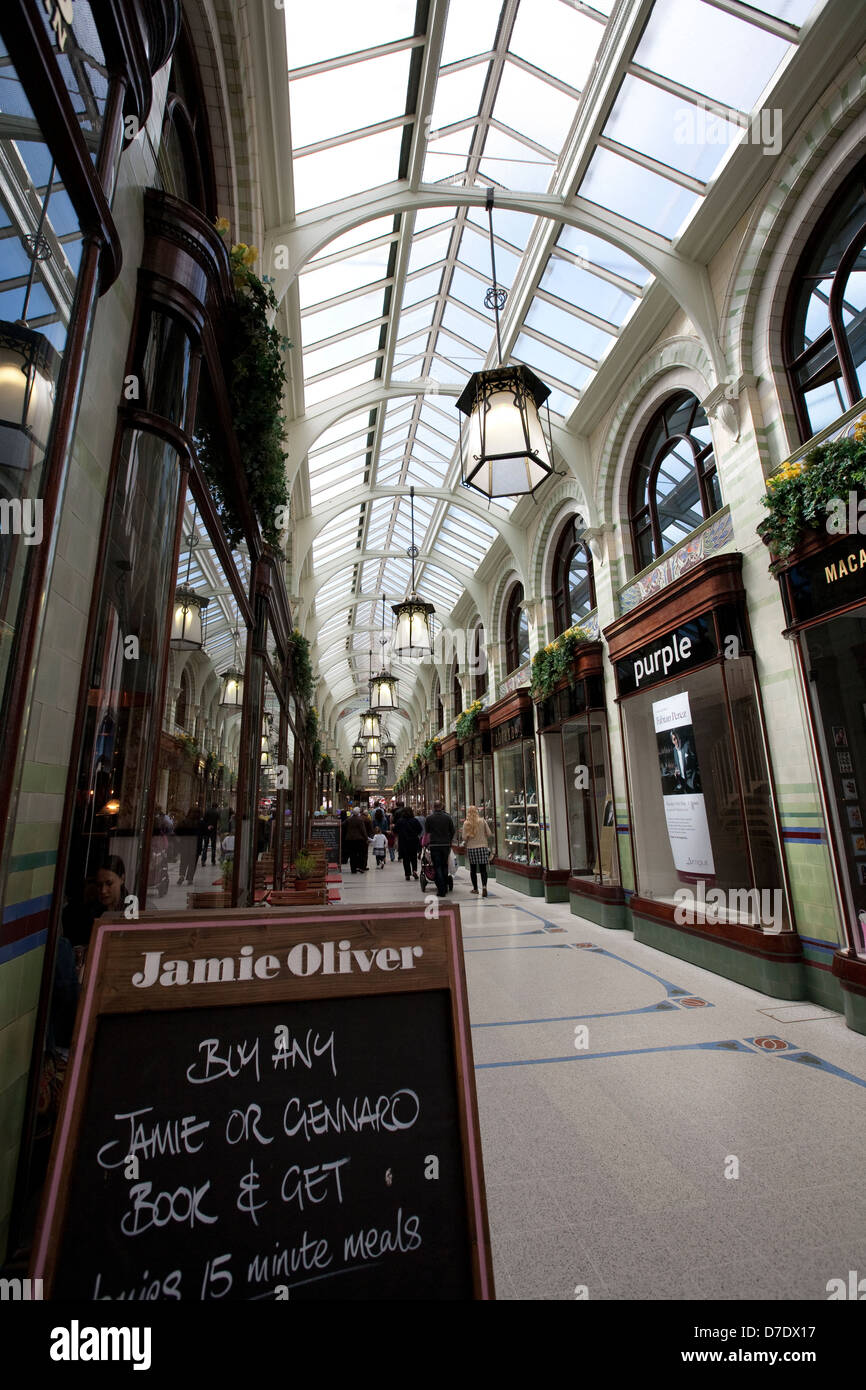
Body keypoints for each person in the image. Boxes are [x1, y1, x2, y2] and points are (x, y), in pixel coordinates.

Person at [425, 799, 455, 898]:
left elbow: (427, 831)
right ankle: (445, 886)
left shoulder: (429, 818)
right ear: (442, 807)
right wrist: (449, 839)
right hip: (445, 845)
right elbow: (452, 830)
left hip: (434, 845)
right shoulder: (448, 817)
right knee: (444, 865)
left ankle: (441, 889)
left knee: (437, 866)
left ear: (434, 807)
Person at [463, 804, 492, 897]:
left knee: (473, 870)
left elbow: (464, 838)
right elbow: (489, 833)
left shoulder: (466, 823)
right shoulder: (482, 821)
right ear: (477, 812)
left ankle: (475, 888)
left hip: (472, 848)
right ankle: (484, 887)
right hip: (483, 847)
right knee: (483, 869)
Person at [395, 806, 421, 881]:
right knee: (413, 857)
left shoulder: (400, 821)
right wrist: (415, 834)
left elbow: (396, 830)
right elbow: (420, 829)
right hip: (413, 841)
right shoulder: (415, 820)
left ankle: (407, 874)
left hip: (404, 842)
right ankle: (414, 870)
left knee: (406, 858)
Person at [343, 809, 371, 873]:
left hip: (350, 839)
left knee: (352, 854)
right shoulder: (360, 820)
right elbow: (363, 830)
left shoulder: (348, 819)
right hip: (359, 840)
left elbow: (343, 825)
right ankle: (360, 867)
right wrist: (366, 838)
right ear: (358, 813)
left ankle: (353, 869)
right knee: (360, 854)